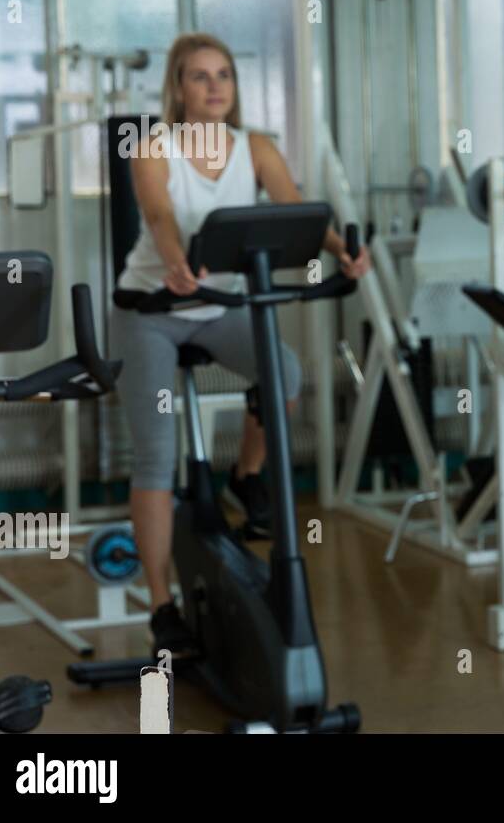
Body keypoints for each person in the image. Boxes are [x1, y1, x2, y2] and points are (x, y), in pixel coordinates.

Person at [112, 32, 371, 656]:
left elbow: (295, 209)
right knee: (155, 455)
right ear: (178, 87)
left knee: (282, 373)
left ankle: (244, 476)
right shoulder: (152, 149)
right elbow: (160, 216)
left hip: (221, 309)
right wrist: (177, 264)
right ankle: (161, 604)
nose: (214, 86)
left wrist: (344, 252)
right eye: (199, 76)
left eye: (223, 74)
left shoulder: (255, 147)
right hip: (153, 309)